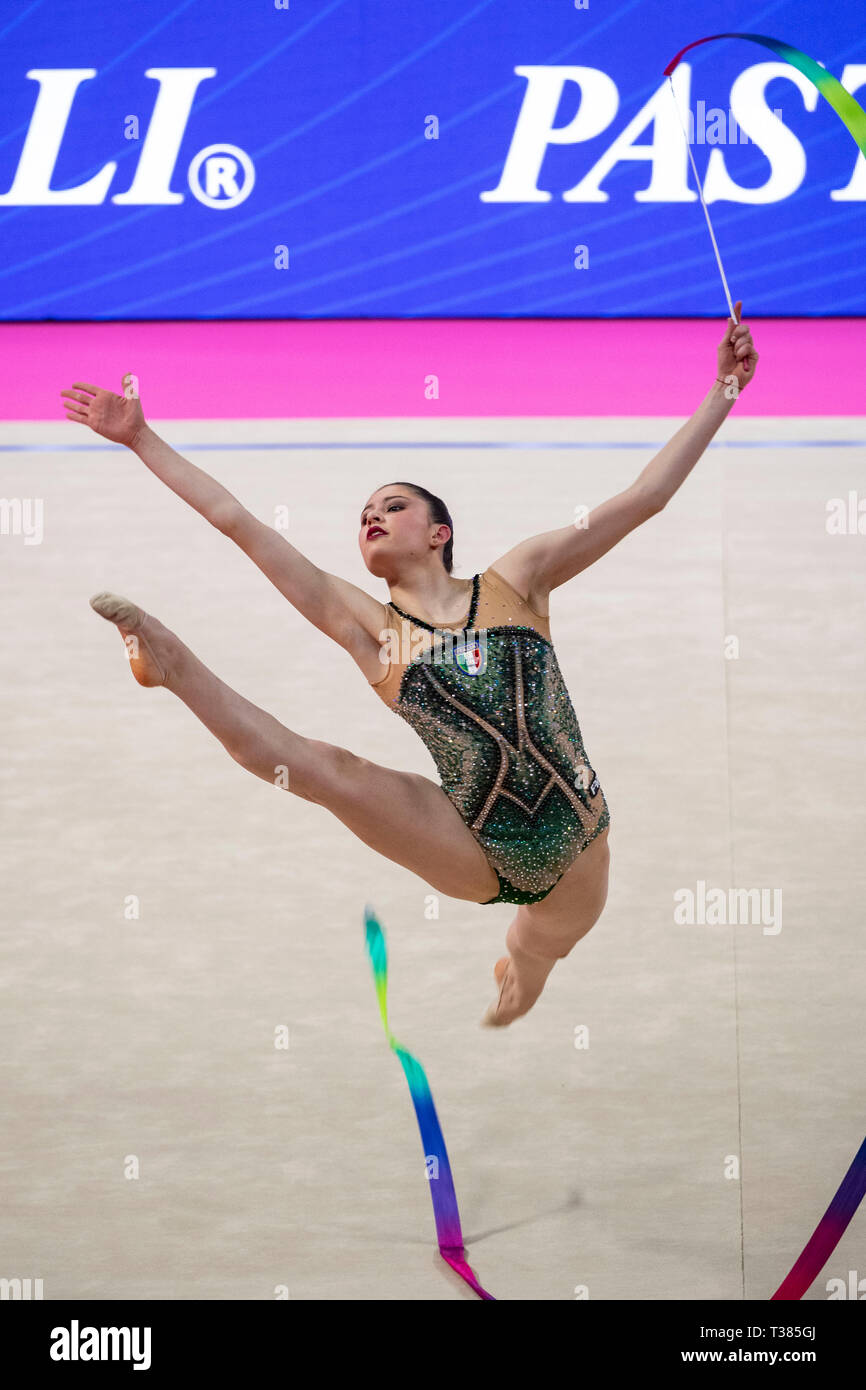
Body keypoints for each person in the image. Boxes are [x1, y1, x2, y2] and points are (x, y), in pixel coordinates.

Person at [60, 305, 757, 1026]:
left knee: (538, 948)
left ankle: (521, 974)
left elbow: (646, 498)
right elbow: (239, 522)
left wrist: (724, 390)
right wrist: (142, 438)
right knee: (324, 770)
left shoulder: (519, 582)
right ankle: (169, 662)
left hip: (583, 841)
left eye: (392, 505)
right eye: (363, 512)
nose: (372, 515)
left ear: (438, 532)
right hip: (471, 846)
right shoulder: (372, 631)